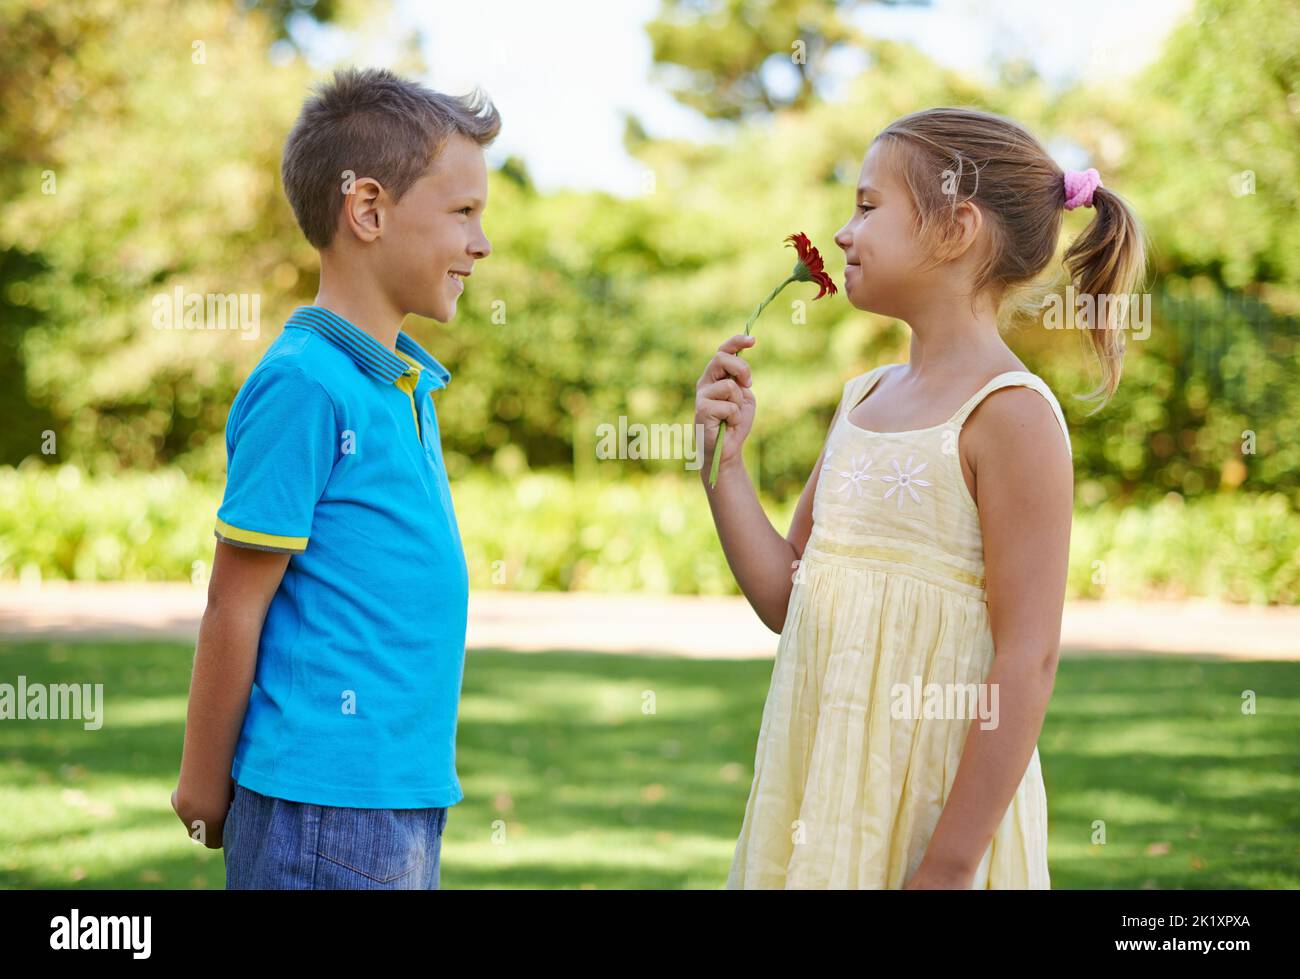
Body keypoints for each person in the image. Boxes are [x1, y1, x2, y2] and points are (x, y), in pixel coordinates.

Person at [696, 106, 1146, 888]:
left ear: (956, 228)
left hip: (937, 815)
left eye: (868, 206)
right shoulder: (861, 400)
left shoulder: (1011, 414)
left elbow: (1027, 659)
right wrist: (725, 466)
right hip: (825, 799)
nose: (842, 233)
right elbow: (786, 598)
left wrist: (946, 863)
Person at [170, 67, 500, 889]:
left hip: (398, 798)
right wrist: (204, 784)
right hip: (319, 810)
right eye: (464, 212)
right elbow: (232, 604)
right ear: (369, 210)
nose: (481, 243)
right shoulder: (306, 385)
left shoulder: (402, 385)